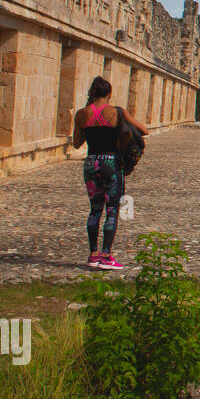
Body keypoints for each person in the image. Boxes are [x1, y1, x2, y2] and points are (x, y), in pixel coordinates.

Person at [71, 76, 149, 271]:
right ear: (109, 94)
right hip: (110, 163)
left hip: (91, 163)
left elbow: (76, 142)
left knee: (95, 209)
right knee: (112, 210)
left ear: (93, 93)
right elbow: (143, 130)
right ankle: (106, 256)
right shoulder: (118, 112)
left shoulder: (81, 114)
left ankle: (93, 254)